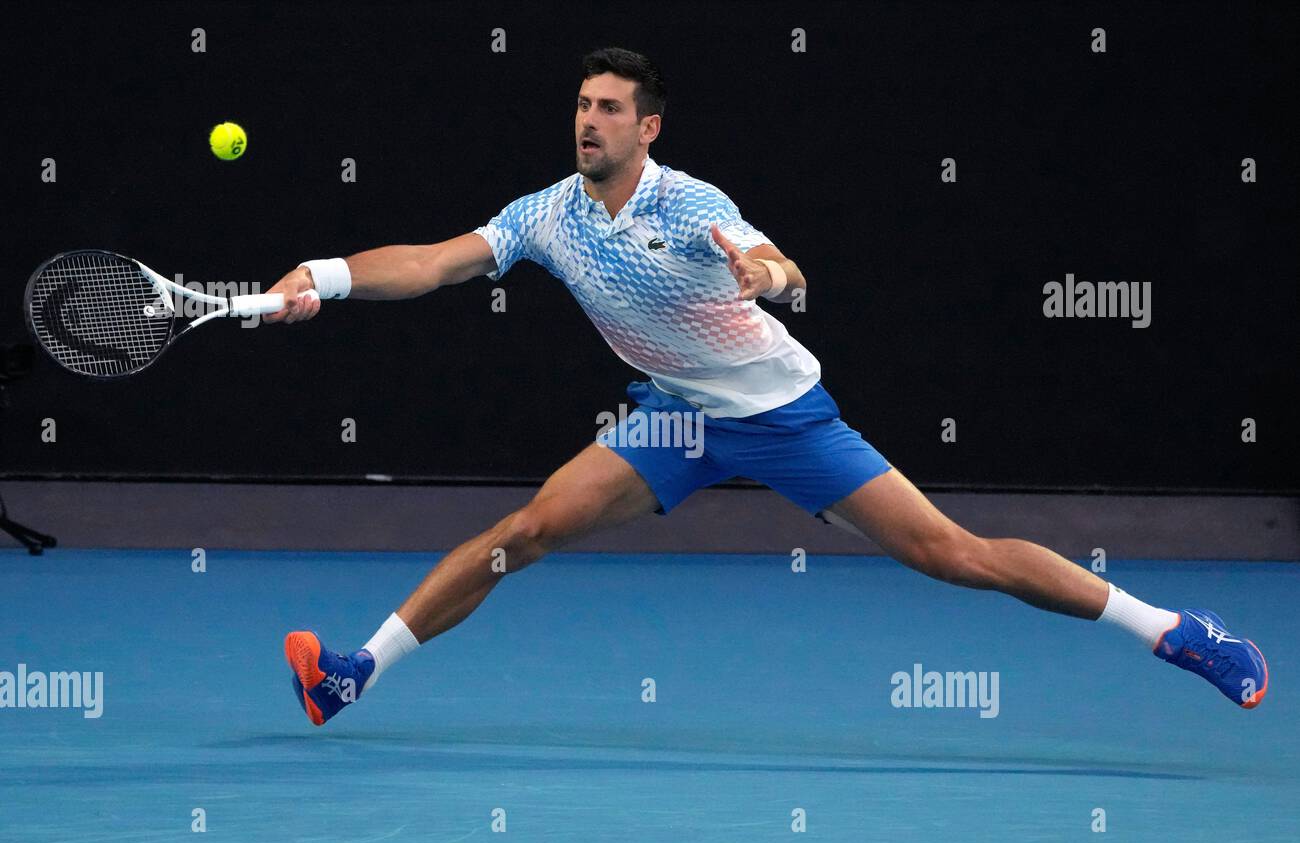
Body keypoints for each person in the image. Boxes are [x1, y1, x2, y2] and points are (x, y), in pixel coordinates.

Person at [266, 48, 1267, 726]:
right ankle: (351, 674)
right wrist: (329, 276)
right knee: (522, 533)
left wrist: (770, 274)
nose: (588, 121)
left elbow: (769, 256)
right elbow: (439, 261)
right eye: (581, 106)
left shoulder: (691, 199)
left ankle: (1176, 632)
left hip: (783, 417)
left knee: (952, 554)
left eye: (609, 109)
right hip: (672, 421)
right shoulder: (546, 214)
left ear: (646, 126)